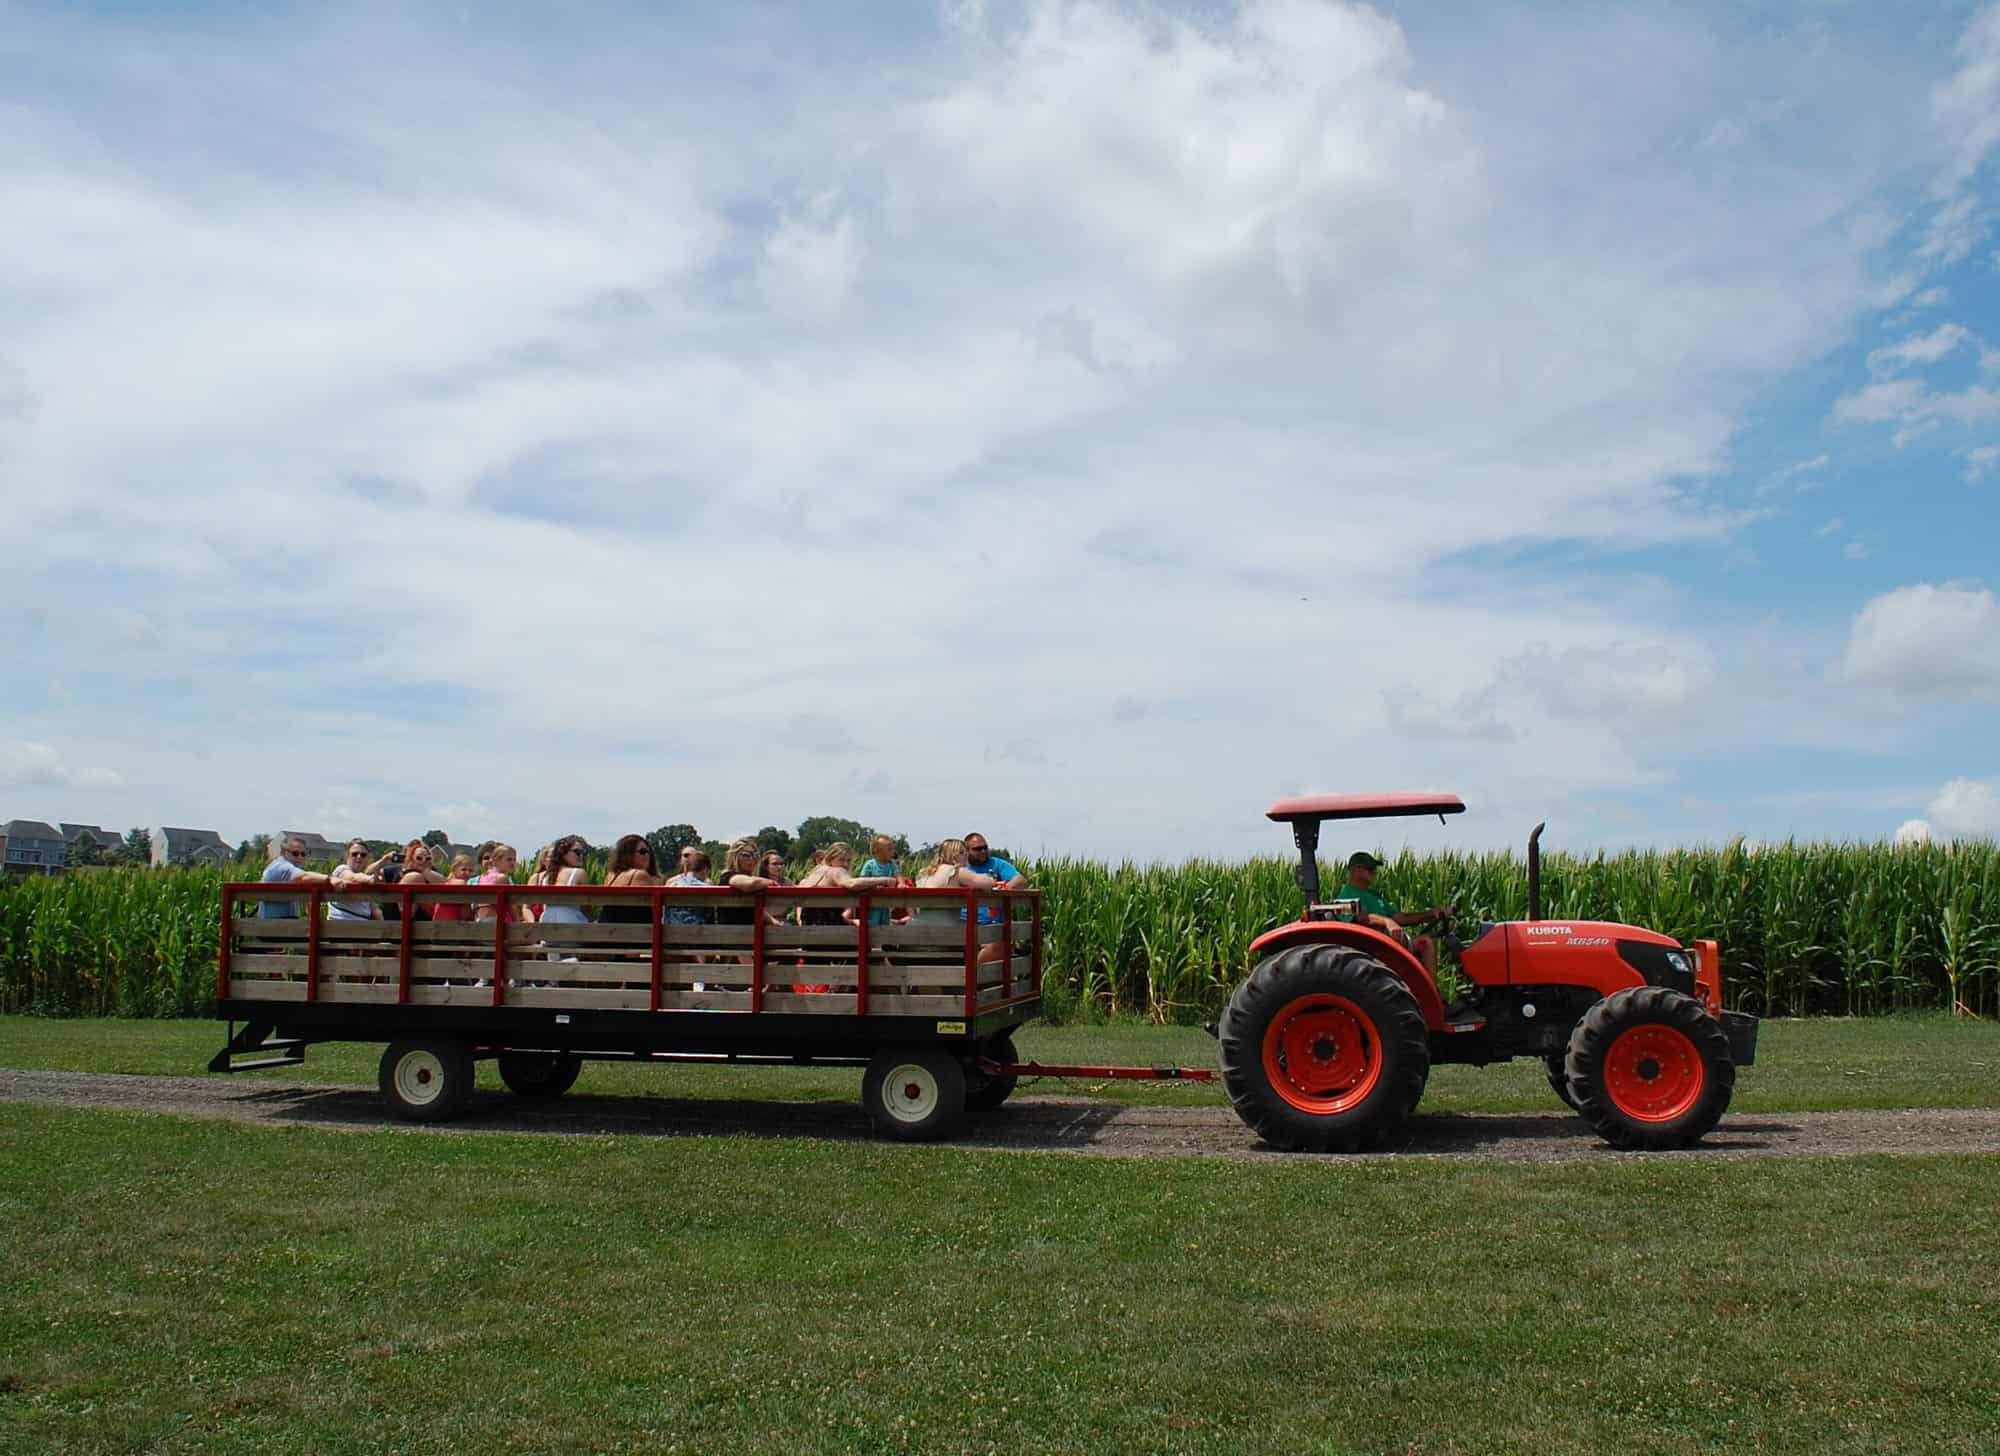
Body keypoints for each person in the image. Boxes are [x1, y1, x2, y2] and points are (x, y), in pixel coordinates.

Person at [1334, 852, 1455, 977]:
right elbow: (1362, 917)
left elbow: (1399, 918)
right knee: (1425, 943)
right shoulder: (1347, 894)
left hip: (1391, 943)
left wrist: (1431, 914)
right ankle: (1431, 994)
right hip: (1374, 947)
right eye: (1370, 868)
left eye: (1374, 869)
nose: (1374, 872)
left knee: (1428, 941)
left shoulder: (1374, 895)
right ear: (1356, 870)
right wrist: (1387, 922)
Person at [258, 835, 335, 918]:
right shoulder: (282, 866)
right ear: (284, 852)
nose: (300, 857)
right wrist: (330, 878)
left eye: (303, 854)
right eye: (295, 853)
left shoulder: (286, 867)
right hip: (274, 924)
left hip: (282, 922)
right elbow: (304, 876)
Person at [961, 832, 1026, 926]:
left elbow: (1020, 881)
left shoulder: (997, 864)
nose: (983, 851)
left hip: (992, 924)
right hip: (963, 922)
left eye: (985, 847)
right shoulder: (961, 866)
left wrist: (1000, 890)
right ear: (967, 851)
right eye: (978, 849)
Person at [328, 840, 396, 920]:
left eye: (363, 855)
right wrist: (370, 879)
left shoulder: (364, 879)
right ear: (347, 856)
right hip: (341, 925)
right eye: (354, 854)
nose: (359, 857)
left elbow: (375, 910)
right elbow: (353, 877)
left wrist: (385, 928)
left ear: (367, 858)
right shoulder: (341, 869)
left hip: (362, 926)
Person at [600, 834, 660, 924]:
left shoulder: (611, 876)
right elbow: (656, 912)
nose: (648, 855)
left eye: (649, 852)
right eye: (643, 852)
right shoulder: (639, 875)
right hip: (634, 933)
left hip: (607, 932)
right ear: (628, 854)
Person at [856, 833, 901, 928]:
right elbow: (863, 881)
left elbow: (898, 875)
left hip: (886, 903)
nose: (893, 852)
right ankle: (873, 943)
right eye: (889, 849)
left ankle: (884, 942)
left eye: (892, 849)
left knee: (885, 925)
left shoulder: (892, 864)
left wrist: (901, 883)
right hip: (872, 903)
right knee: (872, 926)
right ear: (877, 851)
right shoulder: (870, 864)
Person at [474, 844, 520, 922]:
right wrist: (517, 921)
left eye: (514, 860)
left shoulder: (484, 876)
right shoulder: (502, 878)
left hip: (481, 919)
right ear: (496, 860)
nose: (512, 863)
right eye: (509, 859)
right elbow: (511, 905)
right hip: (495, 919)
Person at [430, 856, 477, 923]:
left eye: (470, 870)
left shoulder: (447, 882)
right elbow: (466, 915)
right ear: (454, 869)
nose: (467, 873)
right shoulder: (462, 883)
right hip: (452, 927)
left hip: (437, 925)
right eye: (463, 869)